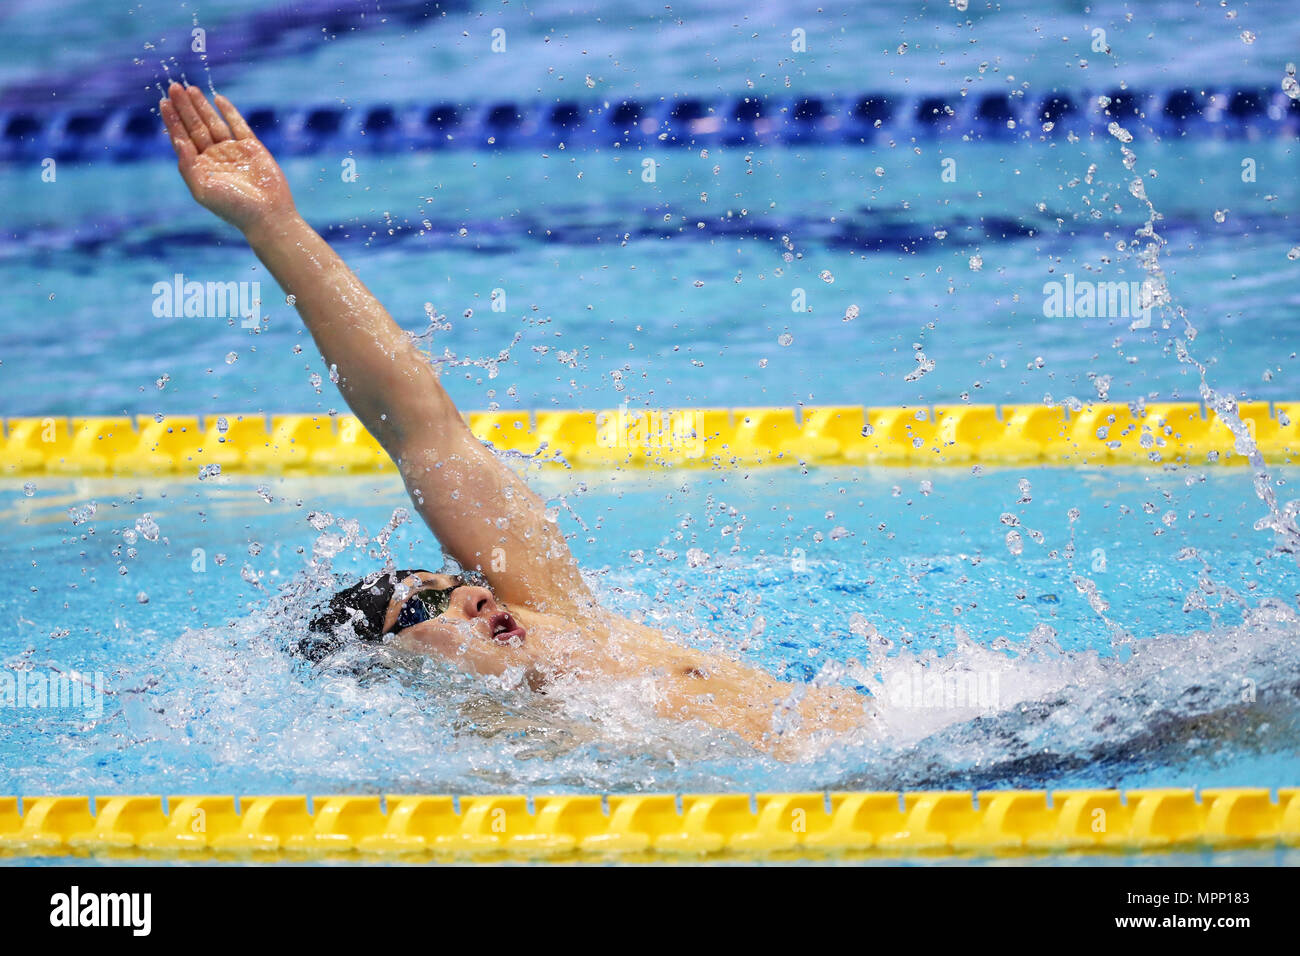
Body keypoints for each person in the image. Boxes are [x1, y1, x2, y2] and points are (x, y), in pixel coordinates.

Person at [159, 83, 871, 756]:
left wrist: (275, 226)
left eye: (447, 584)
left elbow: (418, 423)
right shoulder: (516, 757)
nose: (469, 593)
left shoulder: (565, 623)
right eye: (419, 612)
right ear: (384, 673)